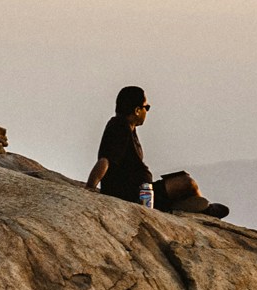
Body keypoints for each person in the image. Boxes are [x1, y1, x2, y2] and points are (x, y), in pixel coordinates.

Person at [88, 86, 230, 220]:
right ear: (137, 110)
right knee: (187, 183)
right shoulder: (120, 127)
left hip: (140, 191)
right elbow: (105, 160)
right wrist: (90, 189)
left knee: (182, 178)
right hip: (134, 194)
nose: (147, 112)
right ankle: (205, 210)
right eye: (146, 107)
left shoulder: (125, 127)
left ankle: (185, 205)